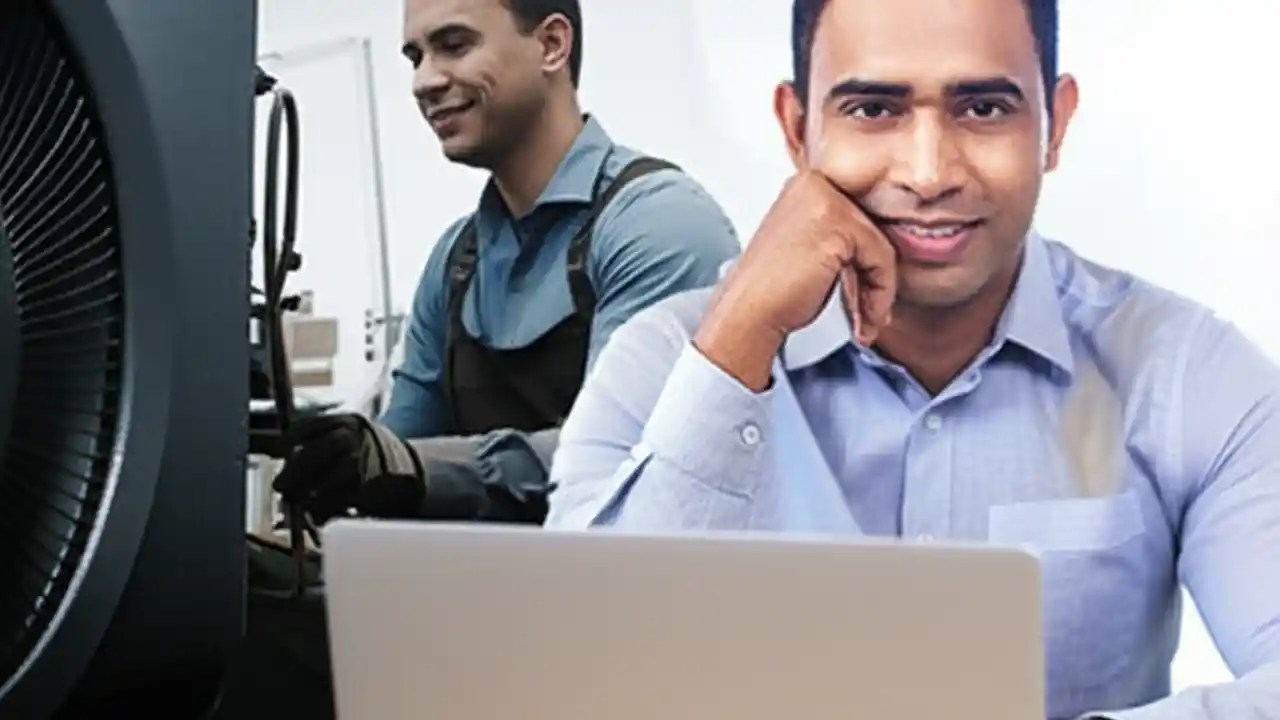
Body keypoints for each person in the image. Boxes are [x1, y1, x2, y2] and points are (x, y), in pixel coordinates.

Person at [544, 0, 1280, 718]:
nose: (929, 175)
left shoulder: (1186, 370)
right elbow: (565, 679)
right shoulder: (662, 361)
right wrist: (739, 335)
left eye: (984, 108)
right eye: (873, 108)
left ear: (1055, 126)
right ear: (797, 129)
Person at [272, 0, 739, 525]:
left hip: (622, 597)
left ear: (551, 45)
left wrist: (406, 467)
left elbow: (622, 460)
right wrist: (340, 460)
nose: (424, 81)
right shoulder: (454, 263)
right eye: (414, 56)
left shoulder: (659, 225)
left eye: (453, 45)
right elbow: (397, 452)